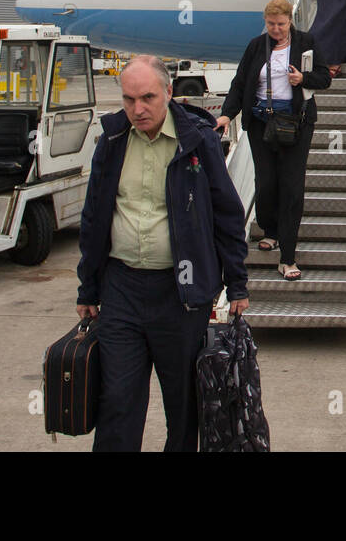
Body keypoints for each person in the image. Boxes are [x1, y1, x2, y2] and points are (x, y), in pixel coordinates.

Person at [75, 55, 249, 452]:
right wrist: (88, 289)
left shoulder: (198, 141)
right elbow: (93, 217)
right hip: (122, 292)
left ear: (169, 93)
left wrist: (236, 282)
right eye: (129, 99)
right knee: (117, 402)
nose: (138, 109)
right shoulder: (113, 141)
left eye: (148, 97)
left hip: (181, 294)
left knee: (184, 408)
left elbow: (227, 214)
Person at [215, 0, 332, 281]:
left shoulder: (306, 42)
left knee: (291, 187)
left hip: (295, 123)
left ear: (290, 21)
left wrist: (303, 78)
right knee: (265, 183)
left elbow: (324, 78)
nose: (276, 29)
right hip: (261, 123)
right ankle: (270, 231)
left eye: (281, 24)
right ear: (265, 22)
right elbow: (240, 83)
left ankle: (288, 257)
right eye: (271, 24)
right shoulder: (257, 46)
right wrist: (226, 115)